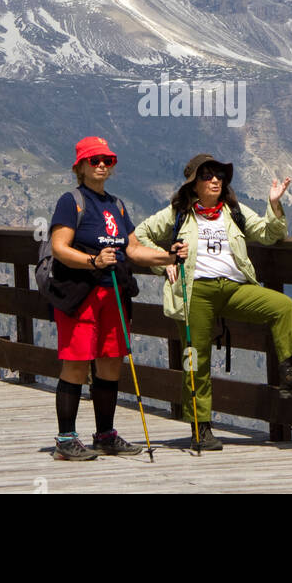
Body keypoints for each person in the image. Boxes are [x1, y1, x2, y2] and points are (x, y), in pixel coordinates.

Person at [135, 153, 292, 451]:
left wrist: (274, 203)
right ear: (193, 185)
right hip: (195, 292)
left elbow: (269, 234)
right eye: (207, 176)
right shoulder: (179, 213)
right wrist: (163, 261)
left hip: (234, 289)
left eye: (219, 176)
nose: (215, 181)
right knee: (196, 359)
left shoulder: (233, 210)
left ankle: (290, 371)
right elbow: (140, 235)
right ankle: (201, 428)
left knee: (281, 306)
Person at [45, 136, 188, 461]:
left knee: (110, 363)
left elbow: (132, 249)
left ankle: (105, 435)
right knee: (77, 364)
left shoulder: (116, 204)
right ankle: (65, 441)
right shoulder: (72, 201)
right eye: (94, 160)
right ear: (79, 166)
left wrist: (167, 257)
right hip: (81, 296)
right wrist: (92, 262)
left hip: (115, 295)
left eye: (106, 161)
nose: (101, 165)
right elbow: (59, 246)